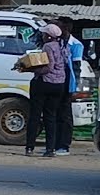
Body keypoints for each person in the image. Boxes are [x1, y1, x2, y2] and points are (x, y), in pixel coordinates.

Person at [19, 23, 68, 157]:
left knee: (35, 116)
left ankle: (30, 147)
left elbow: (48, 67)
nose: (42, 35)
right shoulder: (62, 45)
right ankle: (50, 149)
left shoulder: (48, 46)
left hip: (45, 83)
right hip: (59, 84)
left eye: (44, 33)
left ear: (48, 35)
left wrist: (31, 69)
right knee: (50, 117)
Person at [56, 17, 84, 156]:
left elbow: (76, 67)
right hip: (57, 82)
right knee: (55, 114)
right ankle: (55, 144)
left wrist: (75, 87)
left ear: (65, 28)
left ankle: (64, 145)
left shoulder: (76, 44)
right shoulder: (57, 42)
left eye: (59, 26)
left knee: (65, 116)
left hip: (68, 82)